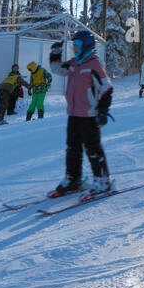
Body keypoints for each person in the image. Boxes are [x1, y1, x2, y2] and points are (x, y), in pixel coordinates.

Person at [48, 28, 113, 197]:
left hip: (90, 116)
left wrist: (103, 111)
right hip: (74, 114)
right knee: (72, 148)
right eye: (73, 46)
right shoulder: (74, 63)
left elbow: (106, 88)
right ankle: (73, 179)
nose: (74, 48)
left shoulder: (94, 64)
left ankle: (103, 181)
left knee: (93, 149)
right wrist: (55, 54)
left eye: (76, 45)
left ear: (85, 45)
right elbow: (58, 69)